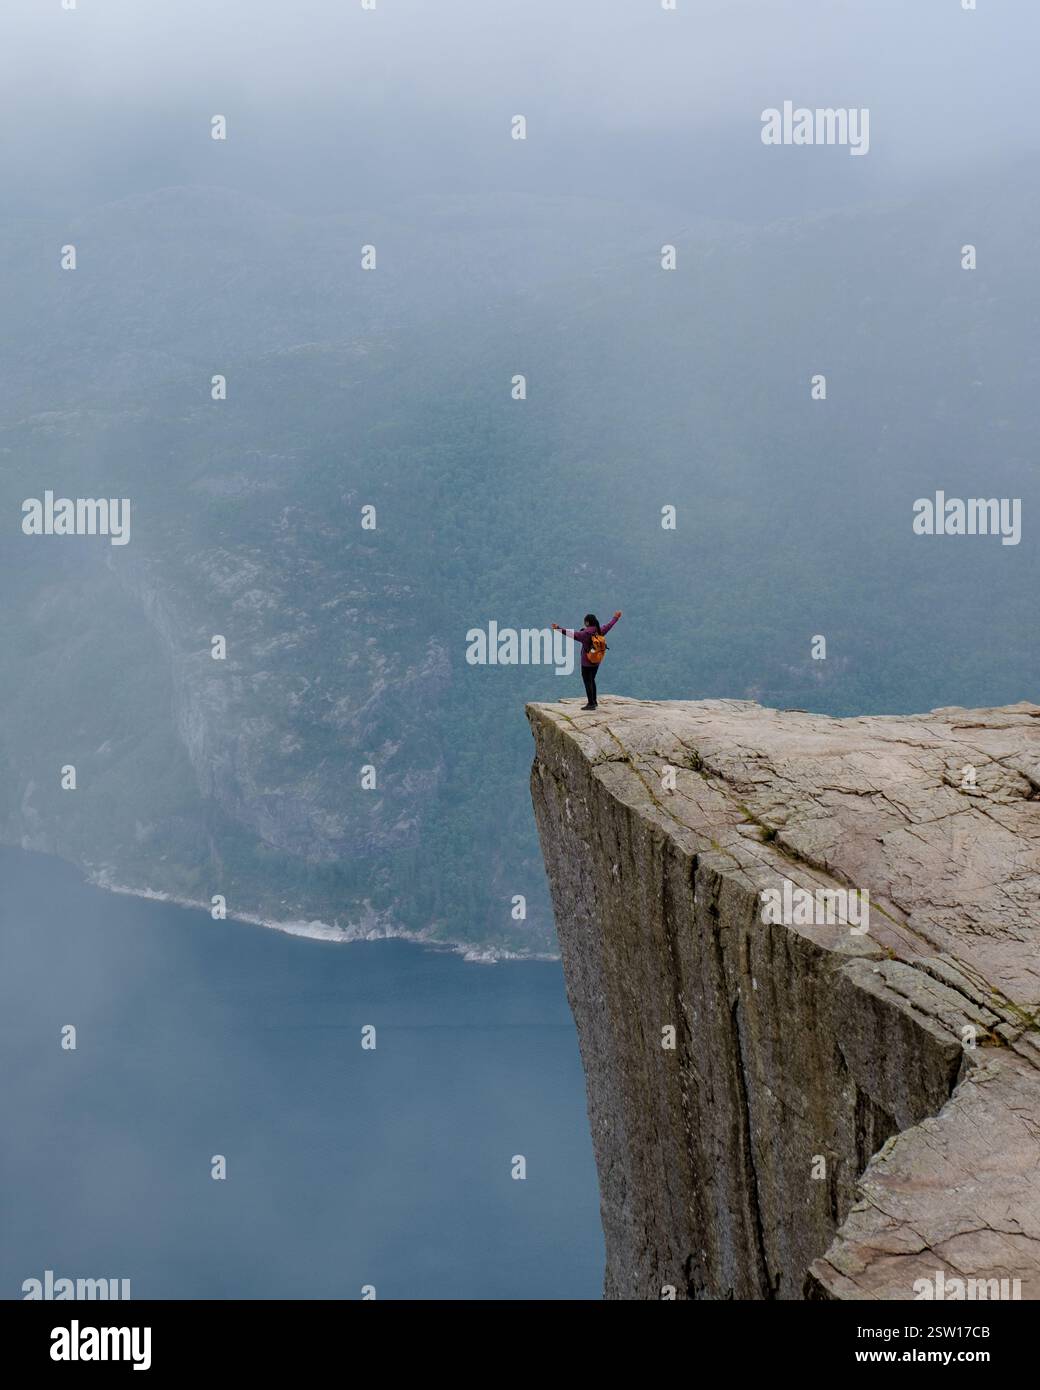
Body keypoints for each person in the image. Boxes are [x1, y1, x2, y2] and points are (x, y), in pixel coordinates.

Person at [551, 611, 622, 710]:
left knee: (587, 682)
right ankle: (594, 701)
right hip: (596, 661)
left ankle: (591, 704)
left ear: (587, 622)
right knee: (592, 680)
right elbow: (609, 625)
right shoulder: (600, 631)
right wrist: (615, 618)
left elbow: (572, 634)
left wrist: (558, 628)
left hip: (587, 662)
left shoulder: (585, 633)